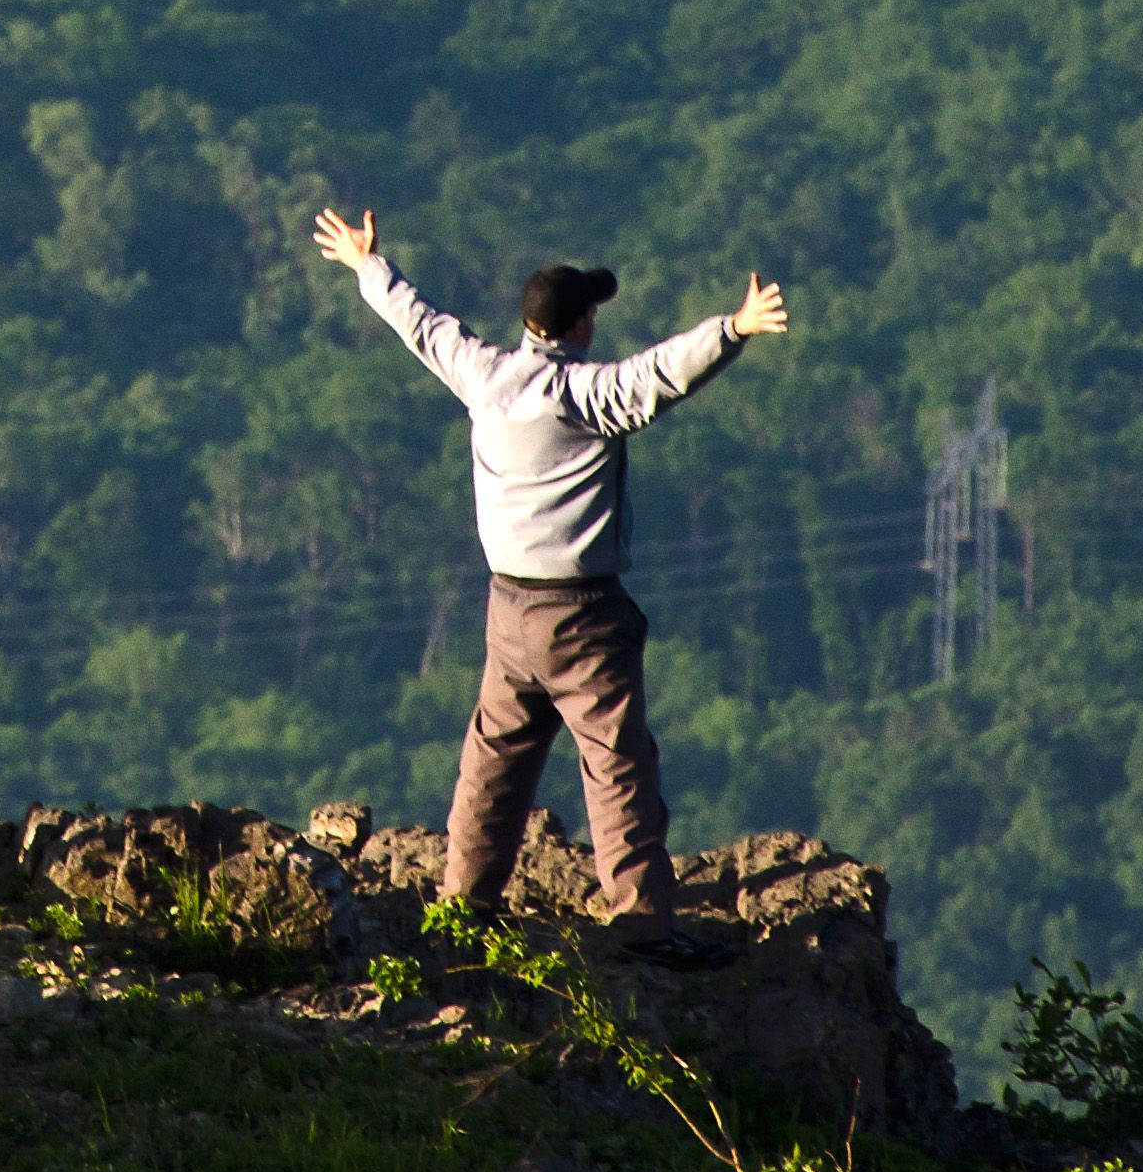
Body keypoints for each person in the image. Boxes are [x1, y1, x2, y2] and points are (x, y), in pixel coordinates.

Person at [308, 206, 790, 919]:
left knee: (492, 768)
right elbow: (663, 373)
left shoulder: (484, 376)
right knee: (617, 769)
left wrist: (367, 264)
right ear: (578, 327)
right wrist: (734, 327)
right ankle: (640, 924)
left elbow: (422, 324)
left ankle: (462, 909)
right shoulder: (589, 396)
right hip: (587, 618)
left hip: (509, 613)